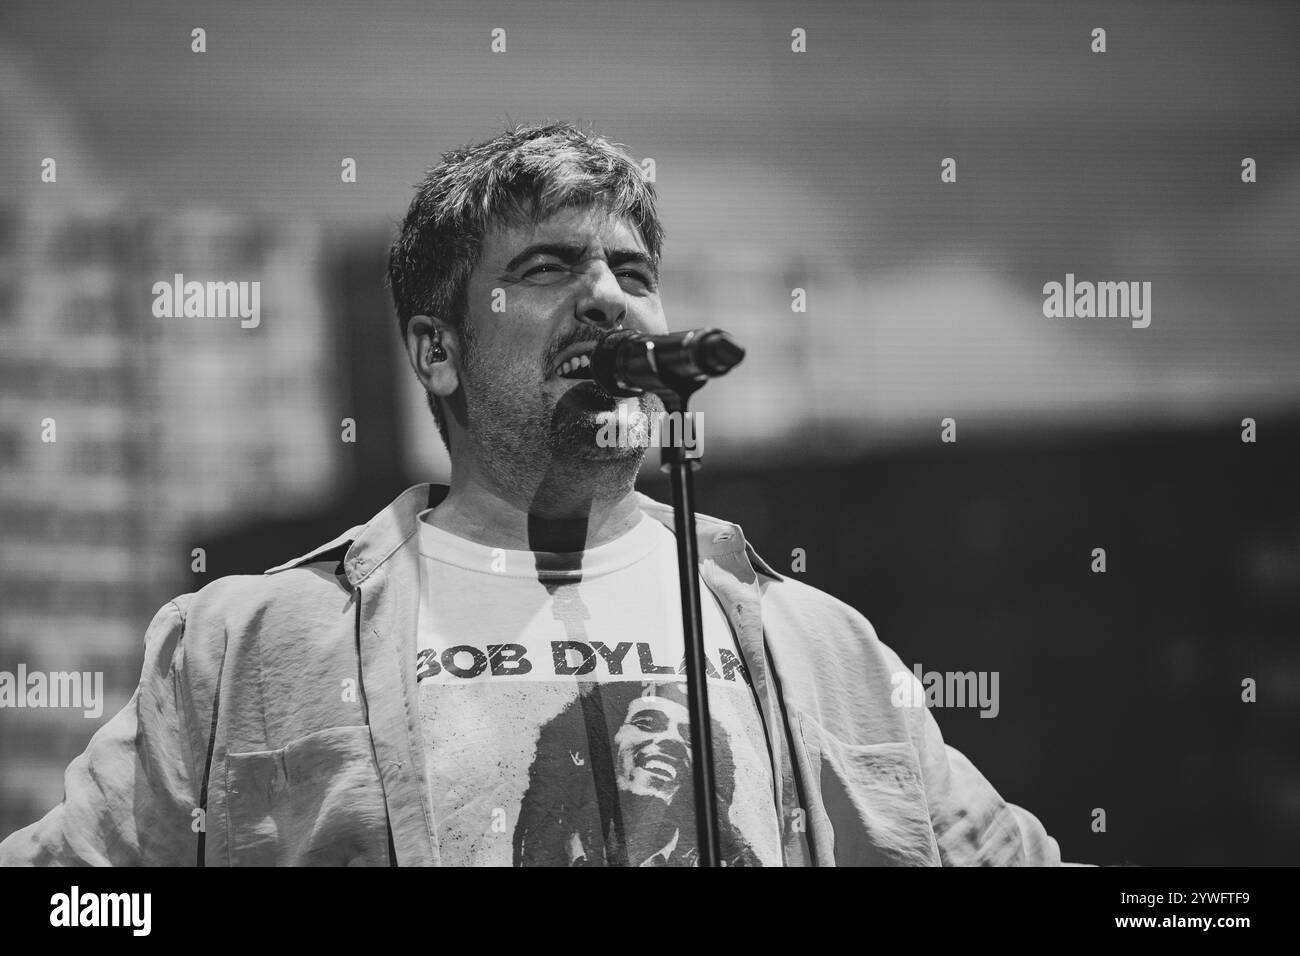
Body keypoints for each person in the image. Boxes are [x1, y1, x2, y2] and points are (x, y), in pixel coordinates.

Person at [0, 122, 1070, 866]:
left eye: (635, 273)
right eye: (551, 268)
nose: (610, 299)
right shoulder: (250, 646)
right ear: (438, 351)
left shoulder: (820, 646)